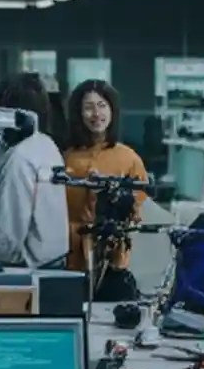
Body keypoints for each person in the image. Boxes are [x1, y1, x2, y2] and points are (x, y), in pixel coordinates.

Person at [0, 73, 69, 269]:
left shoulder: (20, 157)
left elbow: (9, 229)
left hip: (27, 267)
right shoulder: (47, 145)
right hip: (53, 259)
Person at [61, 79, 149, 276]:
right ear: (79, 113)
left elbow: (136, 209)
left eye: (102, 106)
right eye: (89, 107)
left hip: (112, 257)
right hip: (70, 255)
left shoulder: (128, 158)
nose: (96, 114)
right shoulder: (67, 157)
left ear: (112, 111)